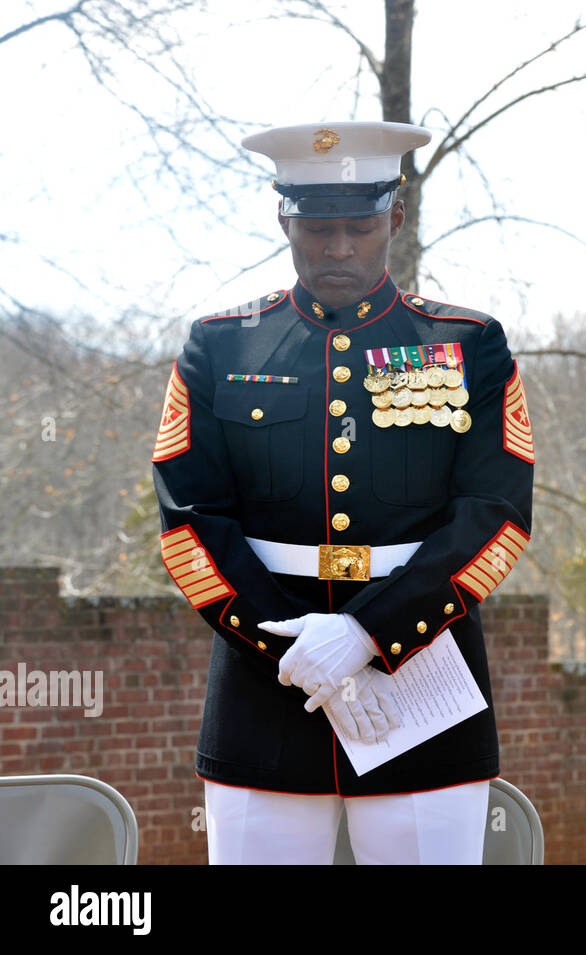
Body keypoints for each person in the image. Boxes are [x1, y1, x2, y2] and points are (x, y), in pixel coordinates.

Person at [151, 121, 535, 864]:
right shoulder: (221, 344)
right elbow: (190, 524)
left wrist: (365, 635)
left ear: (395, 217)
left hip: (421, 678)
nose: (337, 248)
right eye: (316, 227)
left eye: (359, 226)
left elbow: (496, 518)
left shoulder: (465, 343)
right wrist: (291, 647)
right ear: (283, 219)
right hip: (266, 687)